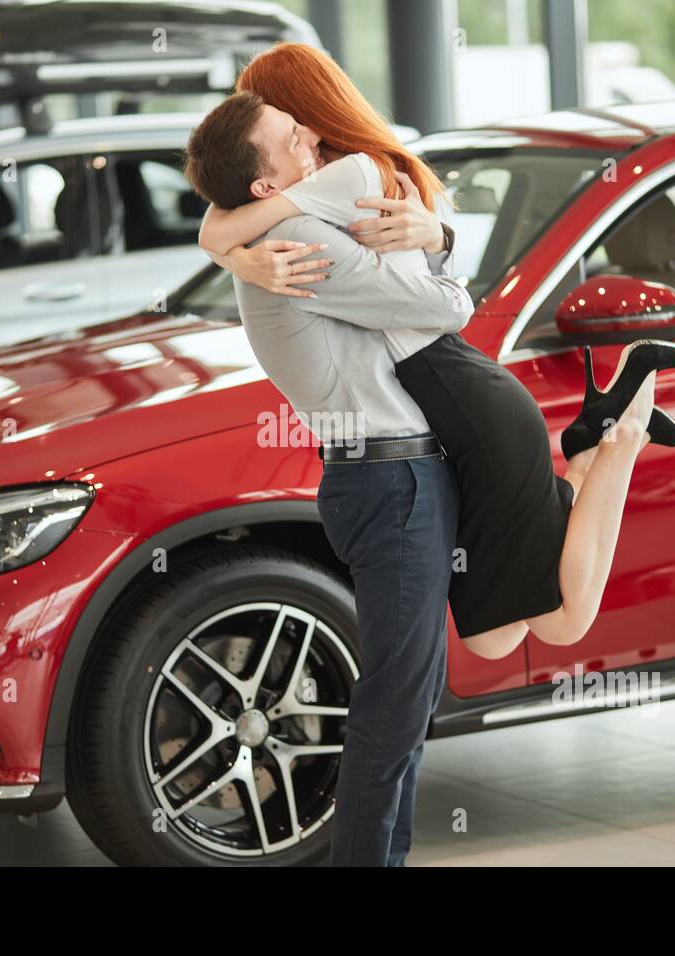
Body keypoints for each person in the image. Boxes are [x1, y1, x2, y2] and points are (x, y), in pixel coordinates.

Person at [185, 91, 470, 868]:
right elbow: (448, 306)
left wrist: (433, 232)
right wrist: (439, 251)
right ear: (266, 187)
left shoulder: (277, 231)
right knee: (396, 698)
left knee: (409, 697)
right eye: (291, 135)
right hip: (394, 479)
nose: (313, 137)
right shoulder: (304, 239)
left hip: (389, 475)